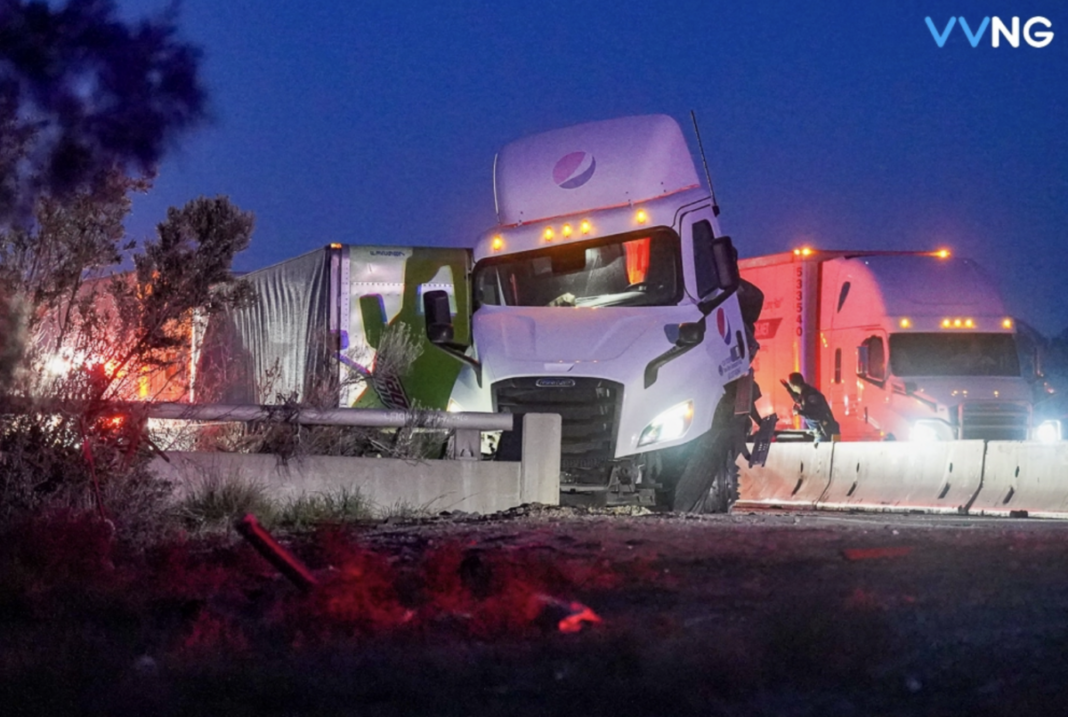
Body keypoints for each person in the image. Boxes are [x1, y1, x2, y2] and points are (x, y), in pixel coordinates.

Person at [782, 372, 840, 443]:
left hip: (824, 434)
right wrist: (788, 389)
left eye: (789, 384)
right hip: (823, 433)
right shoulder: (807, 393)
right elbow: (798, 399)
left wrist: (799, 412)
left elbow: (817, 414)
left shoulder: (810, 395)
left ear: (793, 385)